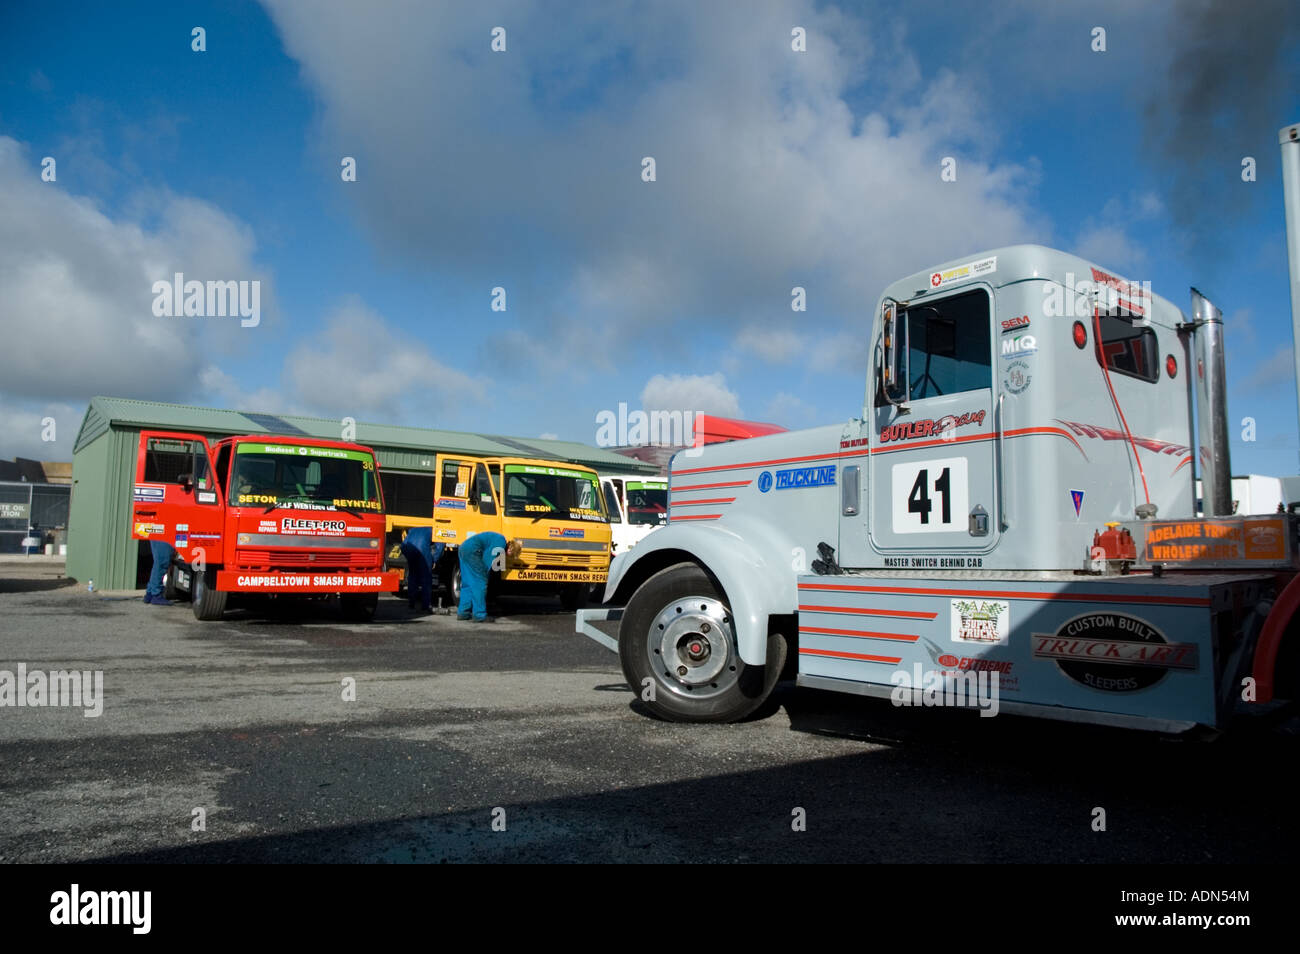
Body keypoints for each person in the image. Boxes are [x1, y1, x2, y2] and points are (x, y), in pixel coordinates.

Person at [456, 532, 518, 622]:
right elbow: (488, 559)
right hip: (473, 550)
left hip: (463, 548)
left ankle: (463, 613)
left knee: (467, 583)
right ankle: (479, 615)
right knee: (480, 582)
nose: (509, 557)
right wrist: (484, 577)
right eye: (511, 555)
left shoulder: (499, 538)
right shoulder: (501, 543)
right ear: (510, 549)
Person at [399, 525, 443, 614]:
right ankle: (425, 605)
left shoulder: (413, 529)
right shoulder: (436, 528)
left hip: (409, 549)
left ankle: (411, 603)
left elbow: (403, 545)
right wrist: (435, 559)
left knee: (413, 576)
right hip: (422, 549)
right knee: (426, 578)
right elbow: (440, 544)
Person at [144, 539, 176, 606]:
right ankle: (156, 594)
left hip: (158, 533)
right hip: (165, 533)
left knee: (158, 563)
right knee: (162, 563)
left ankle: (150, 593)